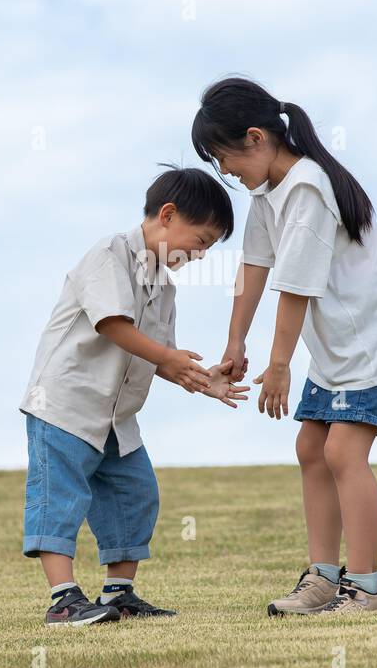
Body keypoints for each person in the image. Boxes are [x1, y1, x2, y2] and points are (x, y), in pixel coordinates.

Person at [192, 78, 377, 615]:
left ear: (255, 138)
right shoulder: (268, 192)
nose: (225, 172)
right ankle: (323, 580)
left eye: (224, 158)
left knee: (343, 452)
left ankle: (369, 589)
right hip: (339, 347)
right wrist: (235, 342)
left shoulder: (306, 188)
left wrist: (279, 366)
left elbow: (296, 285)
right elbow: (255, 267)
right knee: (310, 450)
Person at [18, 165, 249, 626]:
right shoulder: (109, 253)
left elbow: (159, 359)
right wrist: (166, 355)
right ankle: (63, 599)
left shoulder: (164, 286)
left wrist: (205, 379)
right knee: (59, 496)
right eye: (201, 241)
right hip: (66, 404)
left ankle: (118, 593)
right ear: (167, 215)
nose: (201, 255)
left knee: (136, 493)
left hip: (116, 417)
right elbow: (113, 324)